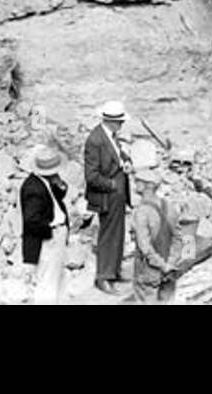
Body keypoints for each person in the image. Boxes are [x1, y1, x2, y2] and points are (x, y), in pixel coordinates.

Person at [84, 99, 132, 295]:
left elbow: (116, 155)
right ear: (111, 121)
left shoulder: (110, 136)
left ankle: (114, 271)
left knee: (118, 233)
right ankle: (103, 276)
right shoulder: (95, 140)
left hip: (117, 193)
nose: (122, 125)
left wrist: (126, 161)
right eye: (120, 121)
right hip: (107, 194)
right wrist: (113, 185)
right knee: (108, 235)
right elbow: (92, 176)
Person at [20, 146, 70, 304]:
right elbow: (31, 220)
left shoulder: (45, 182)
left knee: (57, 278)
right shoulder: (33, 189)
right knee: (47, 283)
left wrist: (59, 184)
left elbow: (55, 199)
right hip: (48, 238)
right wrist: (51, 230)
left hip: (57, 233)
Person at [131, 168, 181, 304]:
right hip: (170, 269)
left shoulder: (142, 211)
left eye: (138, 182)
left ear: (148, 185)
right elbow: (179, 238)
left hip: (149, 271)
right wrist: (171, 262)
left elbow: (144, 247)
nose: (135, 184)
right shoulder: (169, 206)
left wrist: (161, 265)